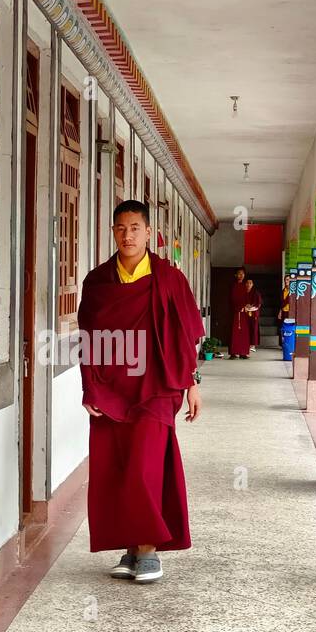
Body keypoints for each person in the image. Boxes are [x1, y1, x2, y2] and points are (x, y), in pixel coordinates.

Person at [78, 200, 205, 584]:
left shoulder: (168, 278)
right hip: (112, 390)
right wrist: (90, 389)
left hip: (157, 389)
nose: (128, 235)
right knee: (115, 469)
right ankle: (132, 549)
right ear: (113, 232)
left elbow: (185, 336)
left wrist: (192, 384)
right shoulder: (98, 282)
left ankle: (149, 550)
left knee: (145, 468)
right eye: (121, 228)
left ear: (150, 232)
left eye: (135, 227)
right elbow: (89, 340)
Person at [229, 275, 253, 359]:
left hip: (244, 314)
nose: (241, 276)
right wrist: (240, 307)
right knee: (235, 333)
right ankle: (233, 353)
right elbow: (233, 298)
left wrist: (247, 306)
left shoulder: (244, 286)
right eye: (239, 274)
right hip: (236, 313)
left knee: (244, 333)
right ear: (236, 275)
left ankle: (243, 353)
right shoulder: (234, 286)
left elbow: (247, 298)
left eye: (242, 274)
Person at [244, 278, 262, 350]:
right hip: (245, 313)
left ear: (252, 284)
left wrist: (251, 307)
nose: (248, 284)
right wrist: (246, 306)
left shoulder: (256, 293)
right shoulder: (243, 292)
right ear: (245, 284)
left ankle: (252, 345)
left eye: (250, 283)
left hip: (254, 313)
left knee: (253, 329)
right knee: (246, 329)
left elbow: (259, 304)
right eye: (247, 283)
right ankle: (246, 343)